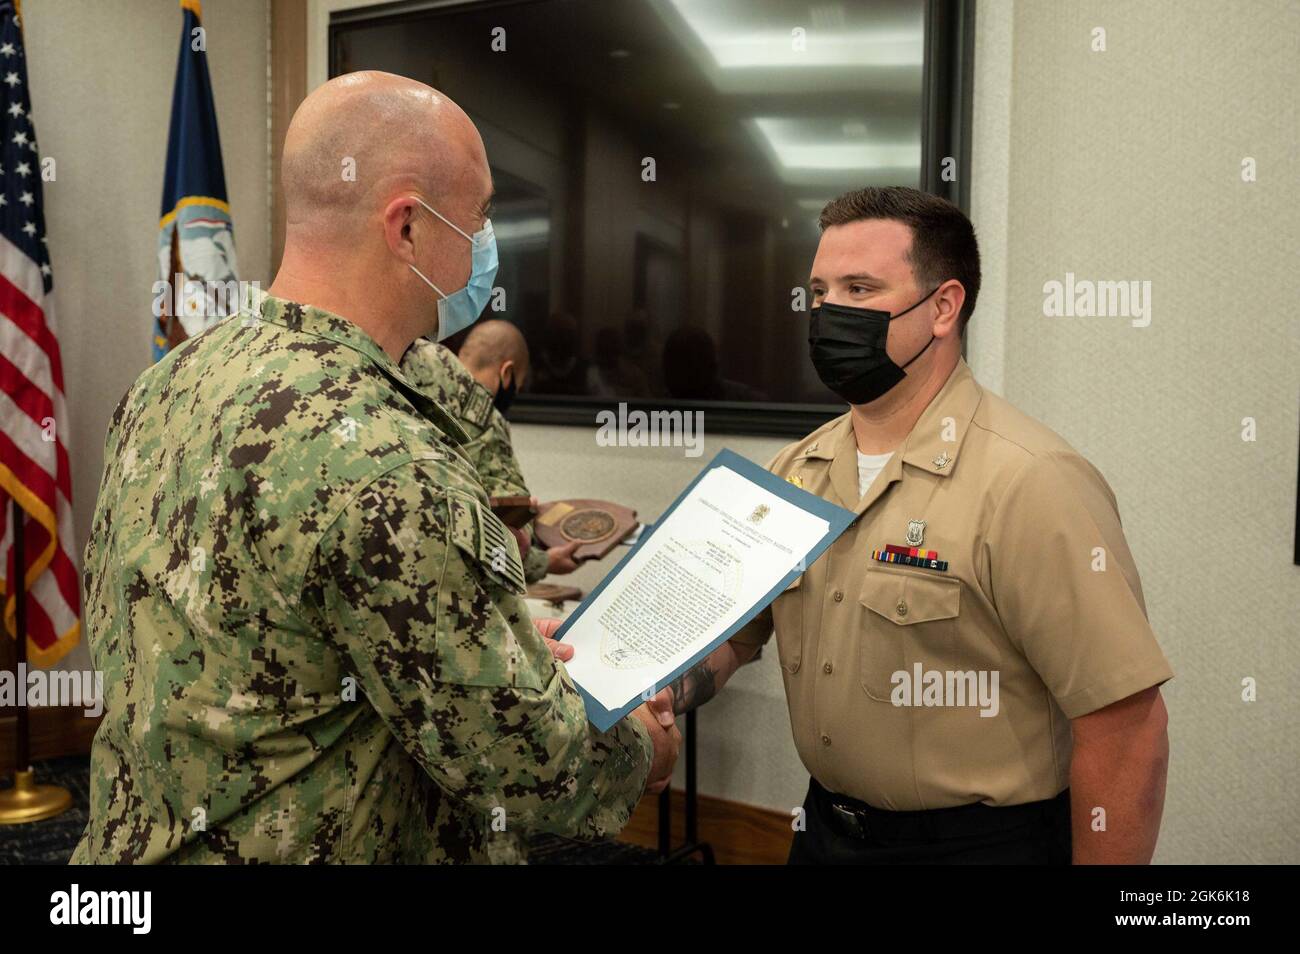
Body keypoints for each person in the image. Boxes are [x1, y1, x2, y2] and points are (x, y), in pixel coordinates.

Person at [72, 71, 677, 865]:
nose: (487, 239)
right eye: (481, 214)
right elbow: (526, 765)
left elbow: (260, 631)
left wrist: (486, 628)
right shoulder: (389, 459)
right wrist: (642, 747)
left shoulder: (165, 383)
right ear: (408, 228)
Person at [658, 186, 1172, 865]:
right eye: (819, 292)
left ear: (943, 307)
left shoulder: (1032, 481)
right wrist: (652, 692)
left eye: (860, 288)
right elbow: (733, 635)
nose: (828, 313)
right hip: (823, 833)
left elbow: (1126, 728)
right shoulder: (797, 470)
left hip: (978, 850)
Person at [401, 321, 580, 583]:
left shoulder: (411, 359)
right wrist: (544, 562)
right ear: (507, 373)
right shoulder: (485, 417)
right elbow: (508, 536)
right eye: (517, 385)